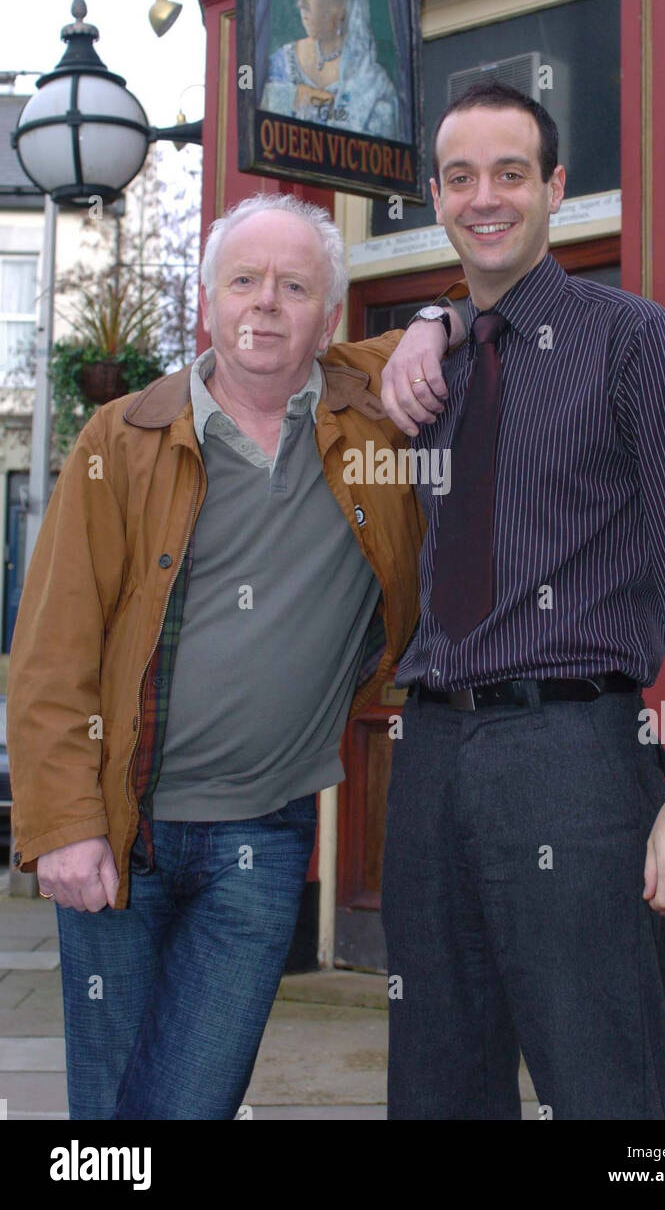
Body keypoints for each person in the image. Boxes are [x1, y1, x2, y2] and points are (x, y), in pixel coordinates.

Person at [7, 191, 464, 1121]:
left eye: (293, 286)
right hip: (119, 830)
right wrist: (60, 824)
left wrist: (434, 319)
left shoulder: (369, 413)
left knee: (187, 1105)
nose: (266, 303)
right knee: (110, 1115)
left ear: (327, 316)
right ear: (204, 302)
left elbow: (487, 305)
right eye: (244, 281)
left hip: (261, 835)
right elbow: (53, 650)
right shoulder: (121, 438)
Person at [378, 81, 665, 1120]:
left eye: (509, 173)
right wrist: (430, 316)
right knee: (436, 1079)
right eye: (459, 177)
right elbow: (290, 362)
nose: (483, 196)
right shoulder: (431, 369)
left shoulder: (637, 343)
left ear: (554, 188)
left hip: (573, 757)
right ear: (437, 200)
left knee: (600, 1080)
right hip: (430, 759)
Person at [260, 0, 405, 140]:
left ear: (342, 3)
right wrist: (295, 96)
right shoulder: (280, 64)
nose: (301, 3)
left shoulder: (375, 87)